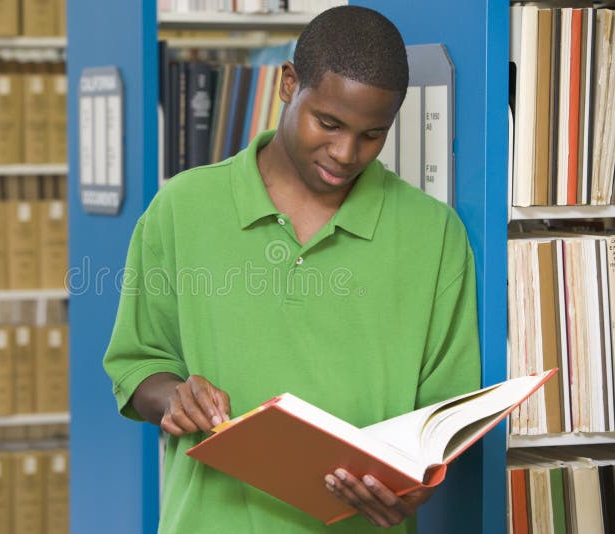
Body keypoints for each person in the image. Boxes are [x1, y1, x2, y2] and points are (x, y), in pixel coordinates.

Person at [103, 5, 480, 533]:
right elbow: (138, 363)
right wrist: (175, 395)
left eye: (373, 134)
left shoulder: (434, 234)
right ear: (288, 84)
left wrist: (413, 485)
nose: (346, 152)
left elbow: (443, 417)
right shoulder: (184, 207)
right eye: (328, 122)